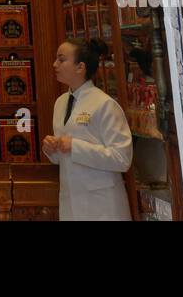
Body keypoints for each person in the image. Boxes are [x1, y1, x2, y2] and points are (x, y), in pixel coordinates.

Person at [43, 38, 133, 220]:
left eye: (61, 59)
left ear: (80, 67)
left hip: (102, 206)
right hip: (71, 202)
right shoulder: (60, 103)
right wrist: (51, 149)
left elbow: (122, 159)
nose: (55, 64)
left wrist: (74, 146)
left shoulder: (105, 104)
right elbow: (62, 157)